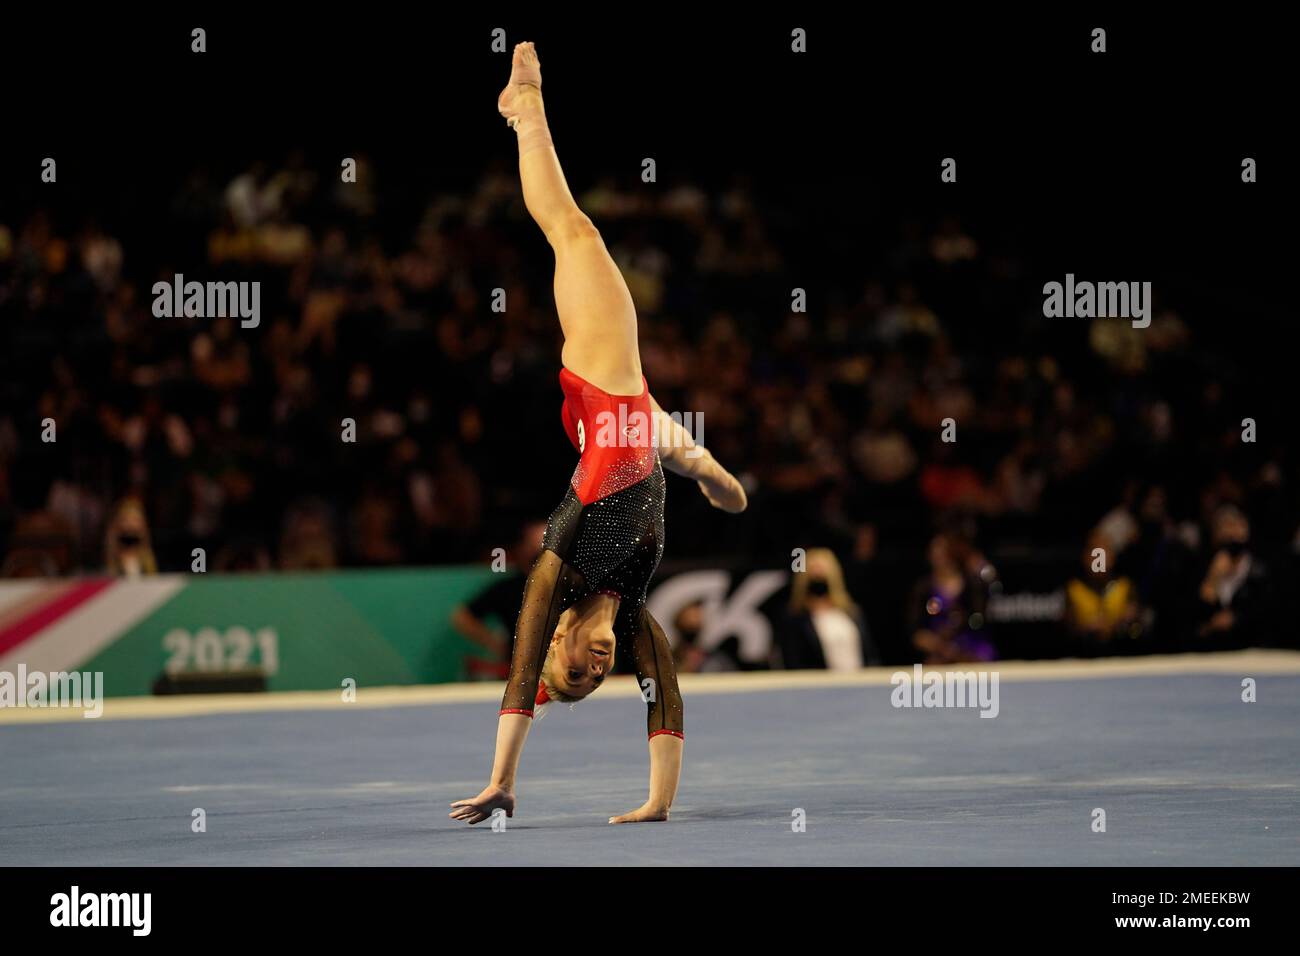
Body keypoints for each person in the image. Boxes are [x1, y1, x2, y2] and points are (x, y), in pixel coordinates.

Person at [450, 43, 747, 827]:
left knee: (574, 232)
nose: (596, 669)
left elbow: (520, 674)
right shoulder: (635, 608)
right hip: (629, 418)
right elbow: (668, 696)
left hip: (604, 394)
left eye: (575, 672)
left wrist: (503, 777)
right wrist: (658, 801)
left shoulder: (562, 561)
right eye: (597, 681)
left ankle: (525, 112)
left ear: (558, 647)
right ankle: (700, 459)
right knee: (665, 440)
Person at [451, 519, 547, 680]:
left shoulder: (571, 585)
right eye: (536, 554)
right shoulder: (508, 588)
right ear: (522, 550)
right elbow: (461, 617)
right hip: (520, 672)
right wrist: (497, 645)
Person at [779, 548, 878, 670]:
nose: (819, 578)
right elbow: (793, 660)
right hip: (820, 685)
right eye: (814, 573)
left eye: (822, 573)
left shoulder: (852, 612)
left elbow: (869, 654)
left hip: (858, 682)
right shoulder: (796, 617)